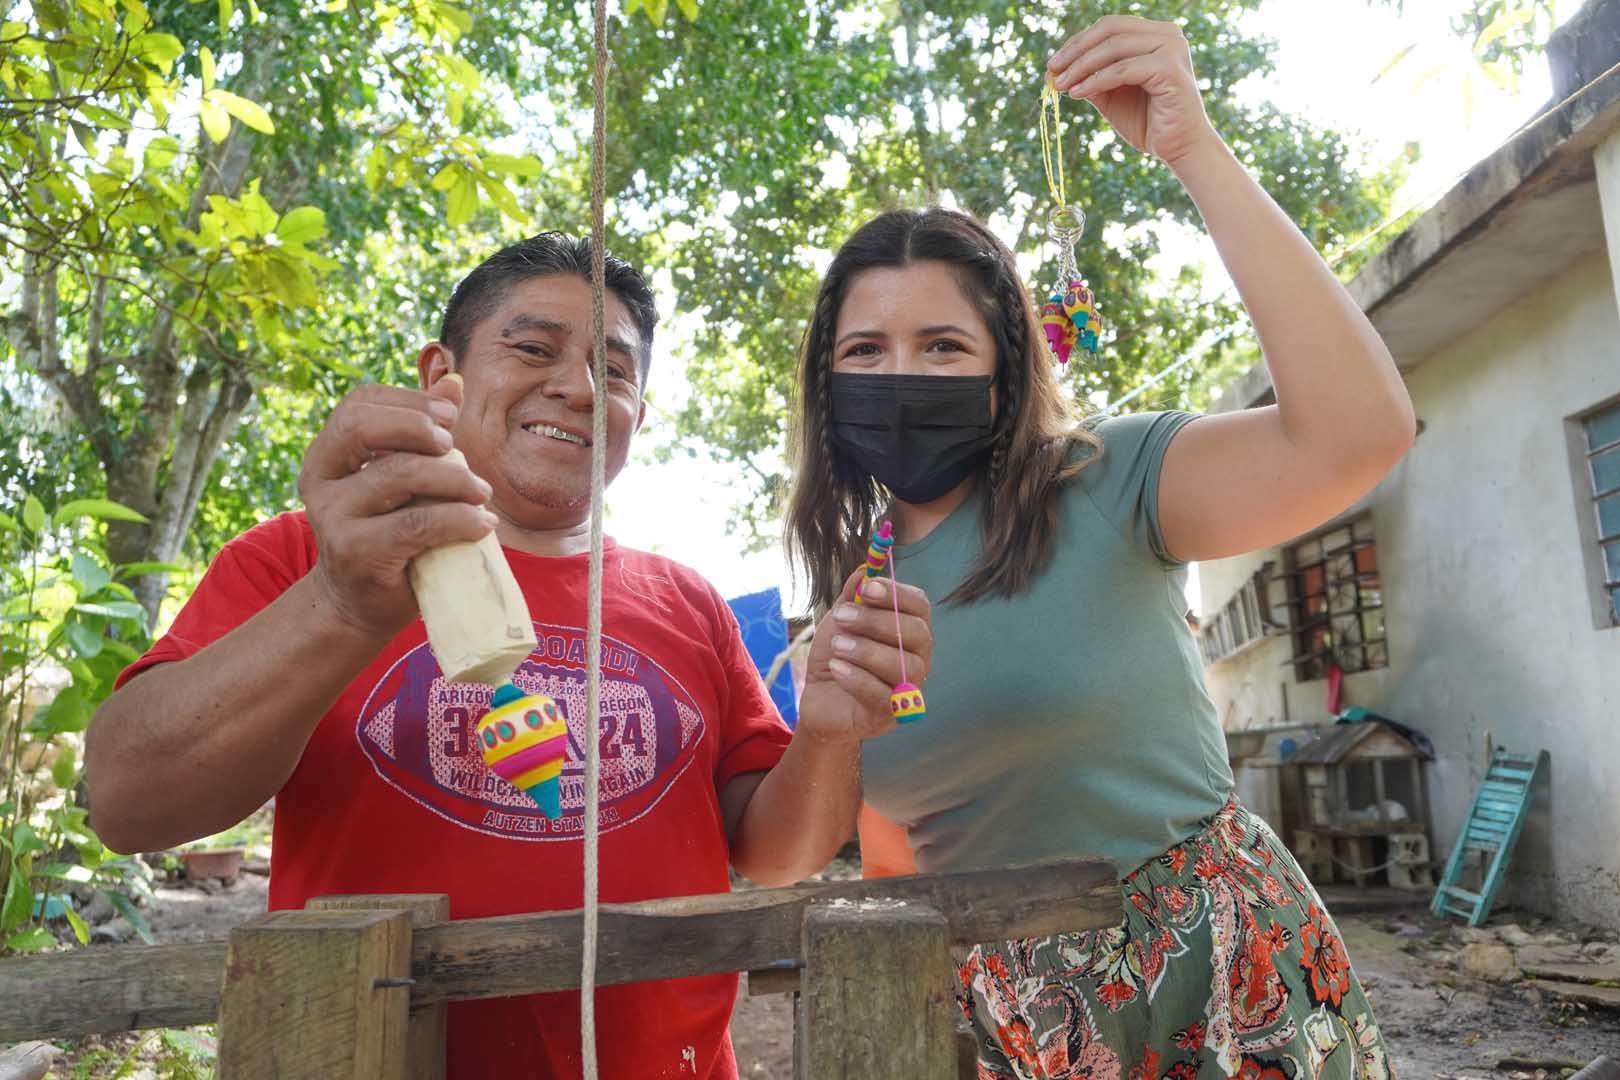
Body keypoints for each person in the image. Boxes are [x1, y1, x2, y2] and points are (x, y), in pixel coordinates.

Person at [85, 233, 931, 1079]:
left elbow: (772, 855)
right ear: (437, 378)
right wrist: (339, 608)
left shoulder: (690, 602)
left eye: (618, 372)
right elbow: (129, 805)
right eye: (532, 349)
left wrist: (827, 736)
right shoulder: (308, 560)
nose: (577, 388)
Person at [782, 16, 1413, 1079]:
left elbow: (1360, 433)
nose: (903, 377)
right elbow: (895, 847)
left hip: (1220, 986)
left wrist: (1193, 150)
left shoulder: (1107, 481)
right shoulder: (862, 596)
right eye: (866, 350)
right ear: (828, 384)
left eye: (942, 345)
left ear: (1005, 368)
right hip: (1017, 1029)